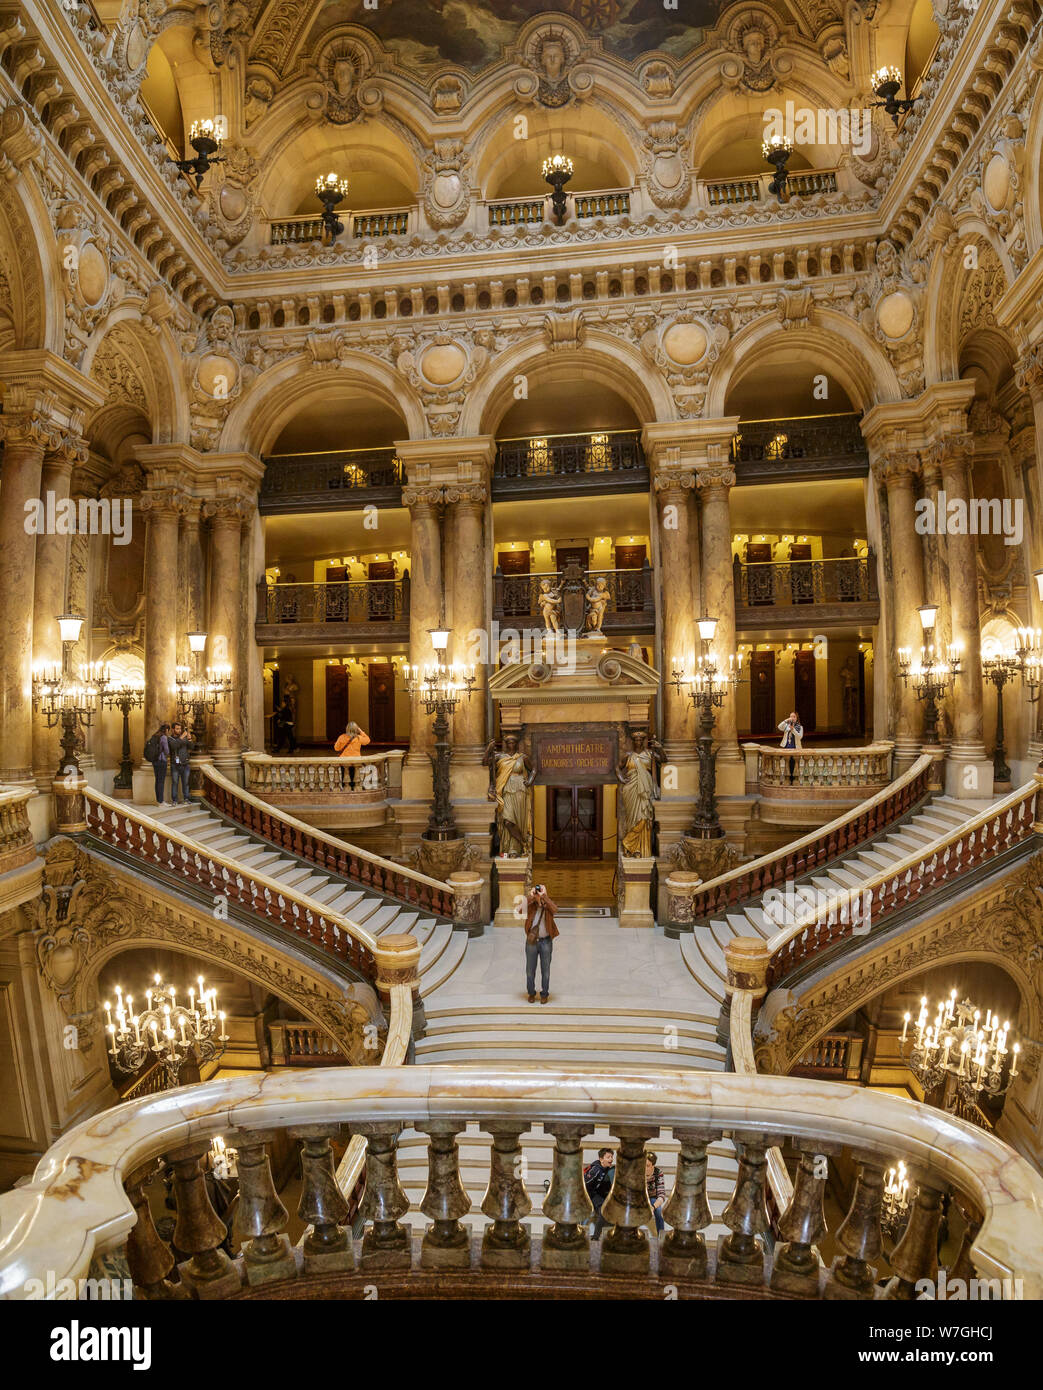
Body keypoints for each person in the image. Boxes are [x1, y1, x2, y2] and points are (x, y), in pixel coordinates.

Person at [524, 883, 558, 1004]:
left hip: (546, 942)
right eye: (538, 892)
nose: (539, 894)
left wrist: (545, 897)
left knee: (546, 971)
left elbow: (555, 909)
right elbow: (519, 910)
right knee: (529, 970)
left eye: (540, 892)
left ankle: (544, 994)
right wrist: (531, 897)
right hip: (532, 942)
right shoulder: (531, 906)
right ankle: (531, 993)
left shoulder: (547, 906)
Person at [584, 1147, 615, 1239]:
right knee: (601, 1212)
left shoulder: (606, 1169)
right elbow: (584, 1183)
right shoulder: (596, 1170)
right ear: (601, 1159)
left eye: (612, 1157)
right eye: (608, 1157)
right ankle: (594, 1237)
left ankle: (598, 1236)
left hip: (595, 1194)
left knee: (605, 1212)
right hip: (587, 1195)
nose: (611, 1159)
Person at [334, 720, 370, 789]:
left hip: (344, 761)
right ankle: (353, 789)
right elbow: (368, 740)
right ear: (356, 729)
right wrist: (361, 731)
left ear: (347, 728)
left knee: (344, 775)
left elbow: (336, 748)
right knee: (354, 776)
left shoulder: (341, 737)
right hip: (355, 761)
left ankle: (345, 788)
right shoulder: (359, 738)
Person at [145, 722, 172, 805]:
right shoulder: (163, 737)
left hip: (155, 761)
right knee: (161, 781)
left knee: (157, 781)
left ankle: (158, 800)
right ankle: (161, 801)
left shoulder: (155, 735)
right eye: (168, 730)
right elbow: (167, 751)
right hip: (161, 761)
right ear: (166, 730)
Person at [168, 721, 194, 805]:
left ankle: (186, 799)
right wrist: (182, 737)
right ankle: (174, 800)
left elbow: (191, 747)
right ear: (173, 729)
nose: (179, 730)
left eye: (180, 729)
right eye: (177, 729)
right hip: (175, 765)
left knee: (185, 783)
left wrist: (189, 739)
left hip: (185, 764)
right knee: (175, 782)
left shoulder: (184, 738)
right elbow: (174, 746)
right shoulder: (170, 739)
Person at [778, 710, 803, 783]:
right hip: (787, 747)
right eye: (791, 716)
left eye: (794, 717)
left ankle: (793, 779)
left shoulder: (800, 727)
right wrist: (786, 720)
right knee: (787, 763)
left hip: (795, 747)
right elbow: (779, 727)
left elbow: (800, 737)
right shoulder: (786, 725)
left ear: (797, 718)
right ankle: (787, 778)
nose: (792, 718)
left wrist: (793, 730)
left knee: (794, 764)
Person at [646, 1151, 667, 1235]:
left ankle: (661, 1235)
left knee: (659, 1212)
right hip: (640, 1198)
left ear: (653, 1166)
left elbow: (661, 1195)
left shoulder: (658, 1173)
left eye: (647, 1166)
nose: (644, 1168)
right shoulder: (638, 1172)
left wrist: (653, 1207)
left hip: (652, 1199)